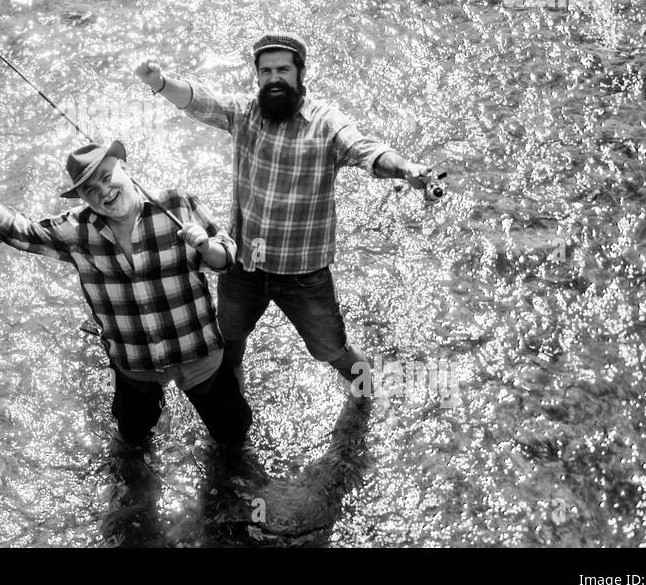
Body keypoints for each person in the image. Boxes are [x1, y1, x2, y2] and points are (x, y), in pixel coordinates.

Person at [135, 33, 439, 396]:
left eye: (283, 69)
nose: (274, 78)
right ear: (258, 77)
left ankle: (369, 393)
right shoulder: (245, 112)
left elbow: (366, 151)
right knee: (229, 340)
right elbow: (200, 101)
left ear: (300, 73)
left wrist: (406, 169)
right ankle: (235, 405)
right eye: (266, 72)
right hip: (244, 264)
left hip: (304, 274)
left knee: (333, 351)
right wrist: (159, 82)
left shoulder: (326, 124)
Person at [0, 139, 253, 450]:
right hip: (134, 363)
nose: (104, 192)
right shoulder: (76, 230)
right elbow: (20, 233)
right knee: (133, 437)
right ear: (84, 198)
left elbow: (226, 261)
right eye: (91, 190)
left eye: (107, 177)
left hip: (199, 355)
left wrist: (205, 246)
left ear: (125, 168)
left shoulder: (177, 205)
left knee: (232, 433)